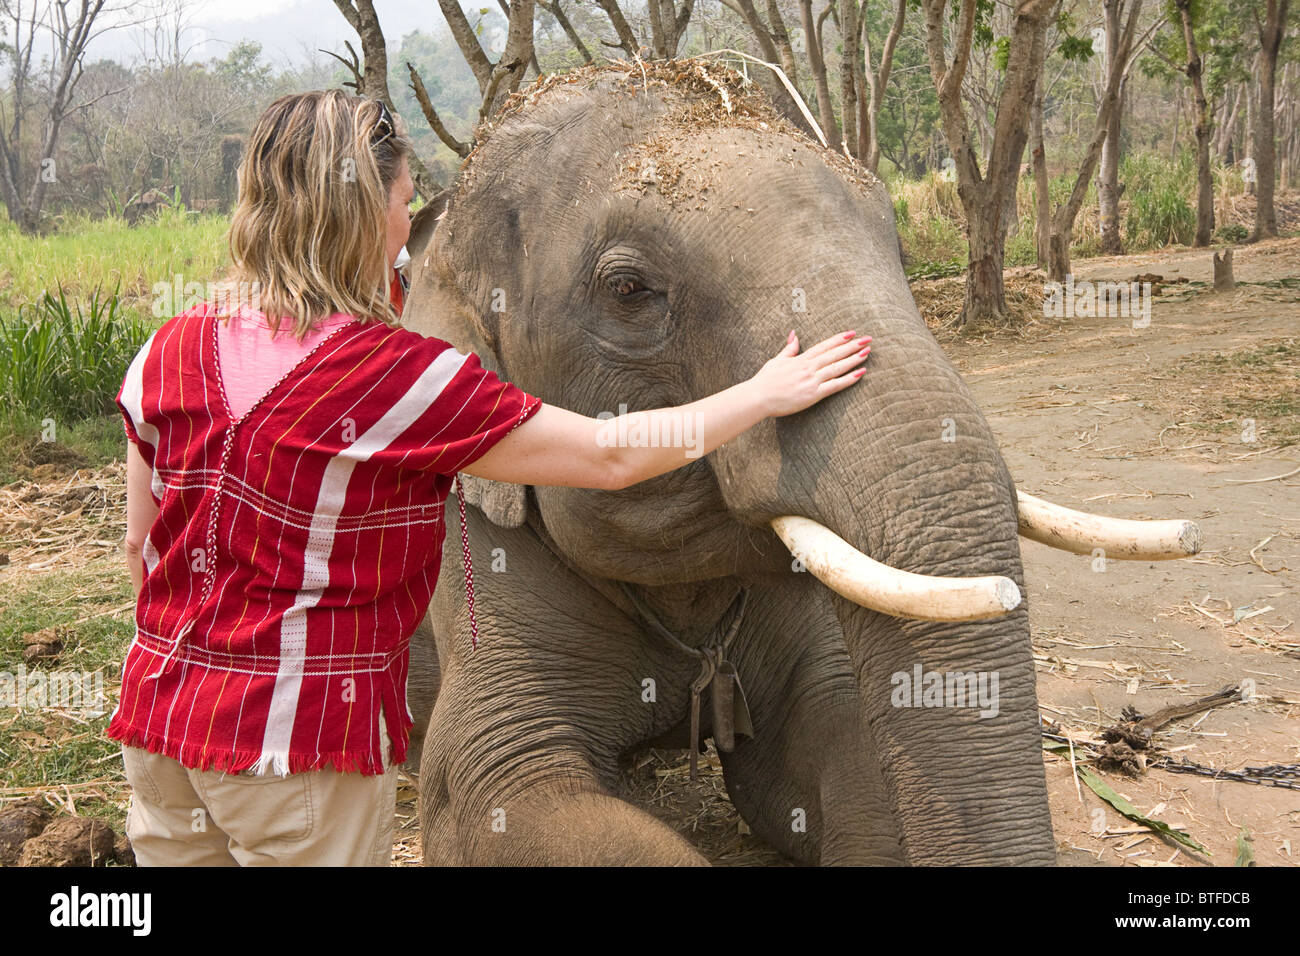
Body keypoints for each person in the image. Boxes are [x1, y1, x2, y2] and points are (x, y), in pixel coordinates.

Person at [111, 90, 873, 866]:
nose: (409, 233)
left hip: (158, 728)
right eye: (405, 204)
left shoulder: (168, 349)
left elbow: (142, 544)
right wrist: (760, 397)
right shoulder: (395, 380)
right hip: (293, 743)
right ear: (362, 213)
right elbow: (608, 455)